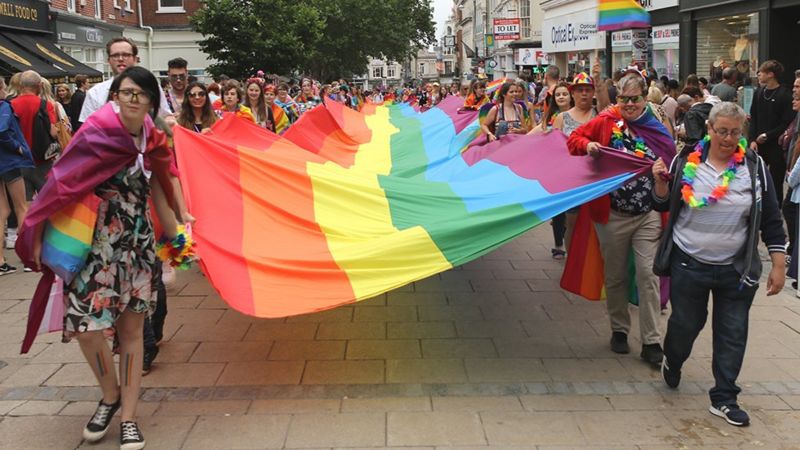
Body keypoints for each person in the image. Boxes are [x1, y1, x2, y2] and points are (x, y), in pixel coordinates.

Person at [18, 66, 182, 450]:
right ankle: (108, 394)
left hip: (136, 247)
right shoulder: (95, 132)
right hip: (94, 245)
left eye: (142, 94)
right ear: (115, 96)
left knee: (131, 335)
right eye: (127, 92)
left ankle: (127, 415)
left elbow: (161, 190)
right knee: (87, 328)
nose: (134, 99)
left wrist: (178, 244)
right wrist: (38, 232)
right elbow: (61, 182)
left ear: (152, 102)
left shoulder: (154, 140)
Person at [654, 102, 786, 428]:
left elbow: (770, 218)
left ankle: (725, 397)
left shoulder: (754, 169)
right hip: (689, 262)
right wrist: (658, 184)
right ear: (709, 129)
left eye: (735, 132)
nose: (728, 138)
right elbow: (661, 201)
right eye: (722, 131)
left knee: (732, 333)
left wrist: (779, 264)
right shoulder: (686, 160)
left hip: (736, 269)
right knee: (686, 325)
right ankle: (673, 358)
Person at [567, 72, 676, 365]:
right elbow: (574, 138)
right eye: (624, 99)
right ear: (618, 100)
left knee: (648, 274)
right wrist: (588, 146)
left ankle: (652, 340)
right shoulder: (605, 122)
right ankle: (619, 330)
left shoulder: (656, 125)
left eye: (635, 99)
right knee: (615, 275)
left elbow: (672, 159)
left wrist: (663, 173)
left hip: (648, 214)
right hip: (612, 214)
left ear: (644, 98)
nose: (629, 104)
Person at [550, 73, 599, 257]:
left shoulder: (600, 114)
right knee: (572, 221)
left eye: (587, 90)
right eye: (579, 90)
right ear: (573, 93)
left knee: (596, 223)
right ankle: (573, 262)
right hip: (571, 180)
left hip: (596, 178)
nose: (584, 94)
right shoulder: (562, 118)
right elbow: (553, 149)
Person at [80, 37, 172, 124]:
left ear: (135, 59)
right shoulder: (95, 93)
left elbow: (165, 116)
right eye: (115, 55)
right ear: (109, 60)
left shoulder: (151, 86)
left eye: (126, 55)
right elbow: (87, 128)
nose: (121, 59)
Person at [0, 76, 34, 275]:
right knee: (22, 207)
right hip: (9, 162)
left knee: (2, 210)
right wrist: (18, 148)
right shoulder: (3, 106)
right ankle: (27, 257)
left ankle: (1, 260)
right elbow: (2, 131)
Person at [749, 60, 794, 205]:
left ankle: (775, 207)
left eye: (761, 72)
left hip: (776, 144)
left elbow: (786, 122)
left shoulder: (785, 95)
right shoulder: (759, 93)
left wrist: (768, 135)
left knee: (776, 179)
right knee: (756, 177)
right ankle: (757, 205)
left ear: (771, 74)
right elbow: (753, 117)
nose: (758, 75)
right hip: (759, 143)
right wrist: (753, 140)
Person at [10, 71, 57, 201]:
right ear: (39, 85)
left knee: (23, 206)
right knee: (46, 202)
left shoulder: (11, 105)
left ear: (20, 85)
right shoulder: (45, 105)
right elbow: (53, 131)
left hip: (18, 160)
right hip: (42, 160)